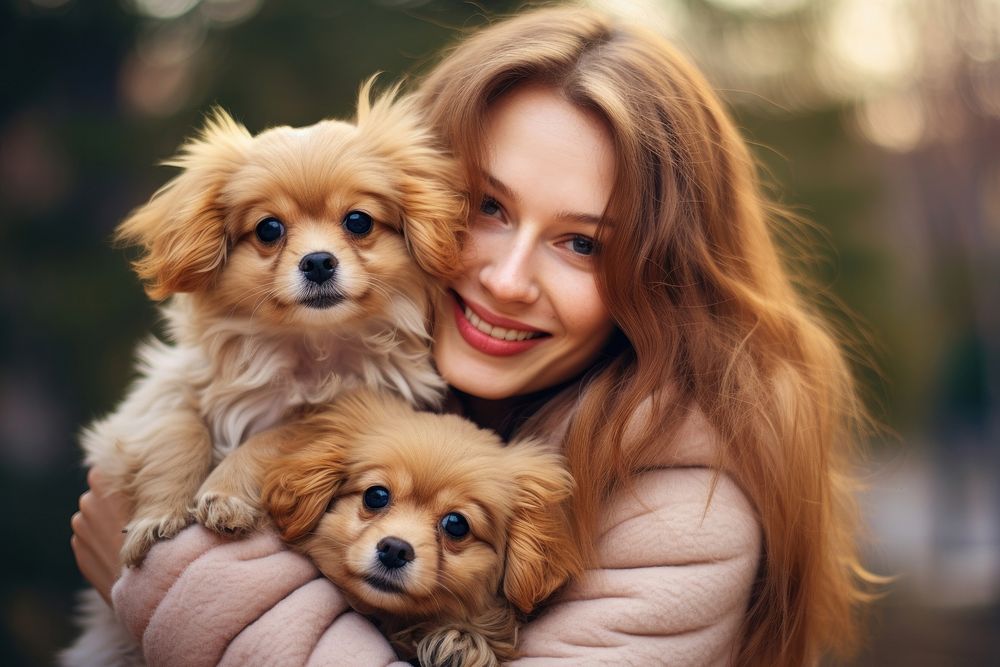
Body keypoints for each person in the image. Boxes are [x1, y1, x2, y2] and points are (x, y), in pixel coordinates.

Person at [71, 5, 878, 665]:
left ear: (660, 280)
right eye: (488, 207)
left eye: (583, 243)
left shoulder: (684, 513)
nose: (506, 277)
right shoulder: (362, 363)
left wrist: (171, 576)